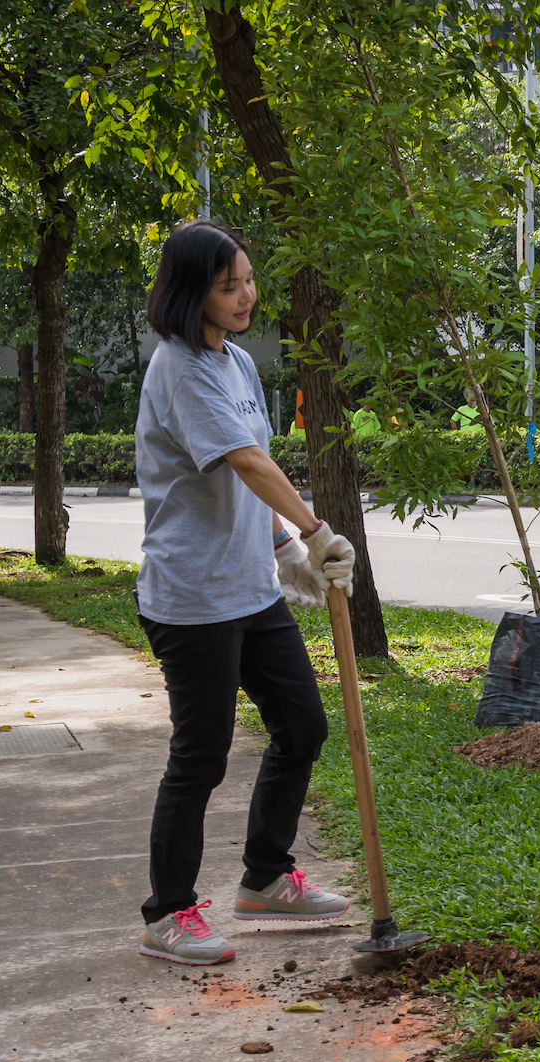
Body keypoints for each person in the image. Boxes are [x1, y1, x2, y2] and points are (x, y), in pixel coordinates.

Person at [134, 218, 356, 966]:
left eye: (249, 281)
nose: (246, 296)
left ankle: (264, 878)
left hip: (247, 589)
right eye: (229, 286)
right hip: (191, 597)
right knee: (201, 754)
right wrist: (317, 529)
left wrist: (285, 548)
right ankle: (168, 915)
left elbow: (250, 480)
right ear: (192, 290)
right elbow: (248, 461)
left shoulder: (236, 365)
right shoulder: (179, 367)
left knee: (303, 726)